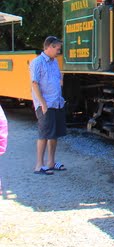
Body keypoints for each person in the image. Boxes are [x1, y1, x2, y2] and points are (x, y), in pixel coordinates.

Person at [30, 36, 67, 175]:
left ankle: (51, 162)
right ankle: (39, 165)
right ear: (49, 47)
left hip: (56, 103)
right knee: (44, 134)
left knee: (54, 134)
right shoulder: (37, 62)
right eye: (57, 48)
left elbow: (58, 80)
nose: (59, 51)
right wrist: (43, 104)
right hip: (45, 104)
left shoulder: (54, 62)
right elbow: (35, 83)